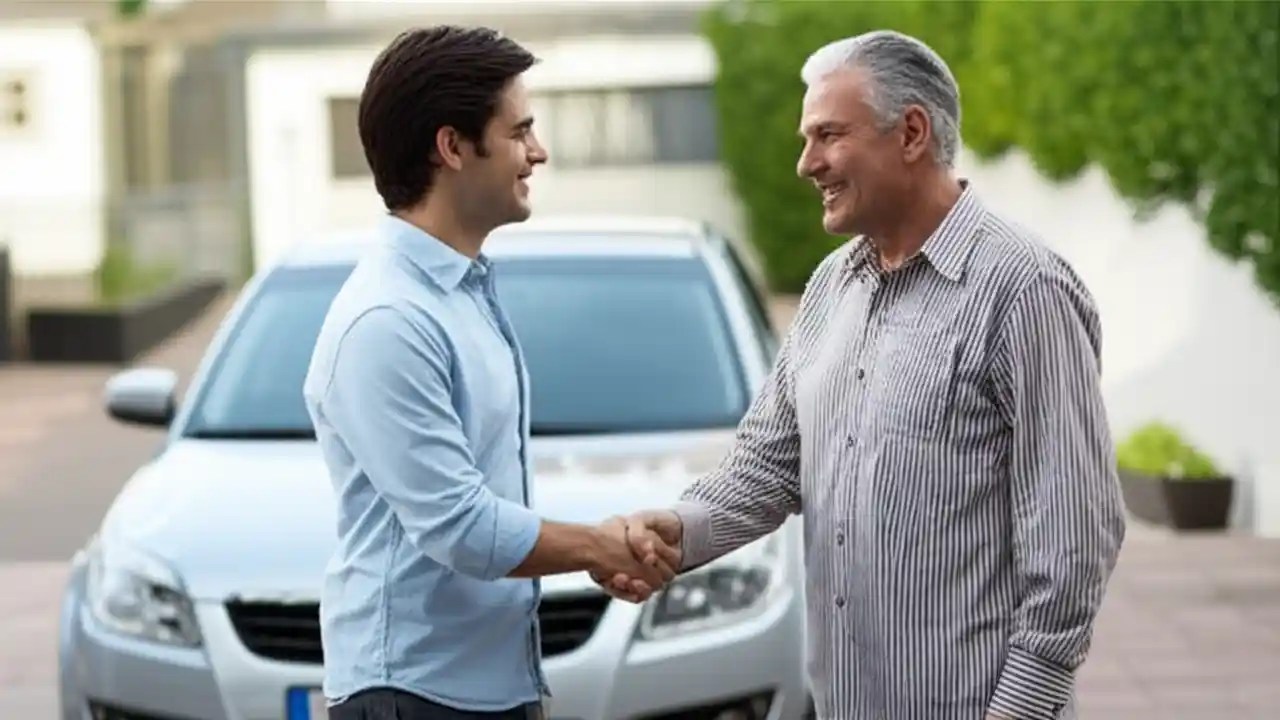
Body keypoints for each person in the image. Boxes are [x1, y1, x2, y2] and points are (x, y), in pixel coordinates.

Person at [599, 30, 1126, 720]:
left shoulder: (1023, 290)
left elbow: (1074, 542)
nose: (805, 164)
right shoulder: (830, 288)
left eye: (827, 136)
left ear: (911, 132)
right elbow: (768, 465)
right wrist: (676, 529)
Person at [303, 26, 678, 720]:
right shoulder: (388, 318)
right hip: (415, 696)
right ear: (452, 147)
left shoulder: (457, 295)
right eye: (520, 131)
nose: (538, 152)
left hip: (484, 687)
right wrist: (599, 546)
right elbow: (461, 528)